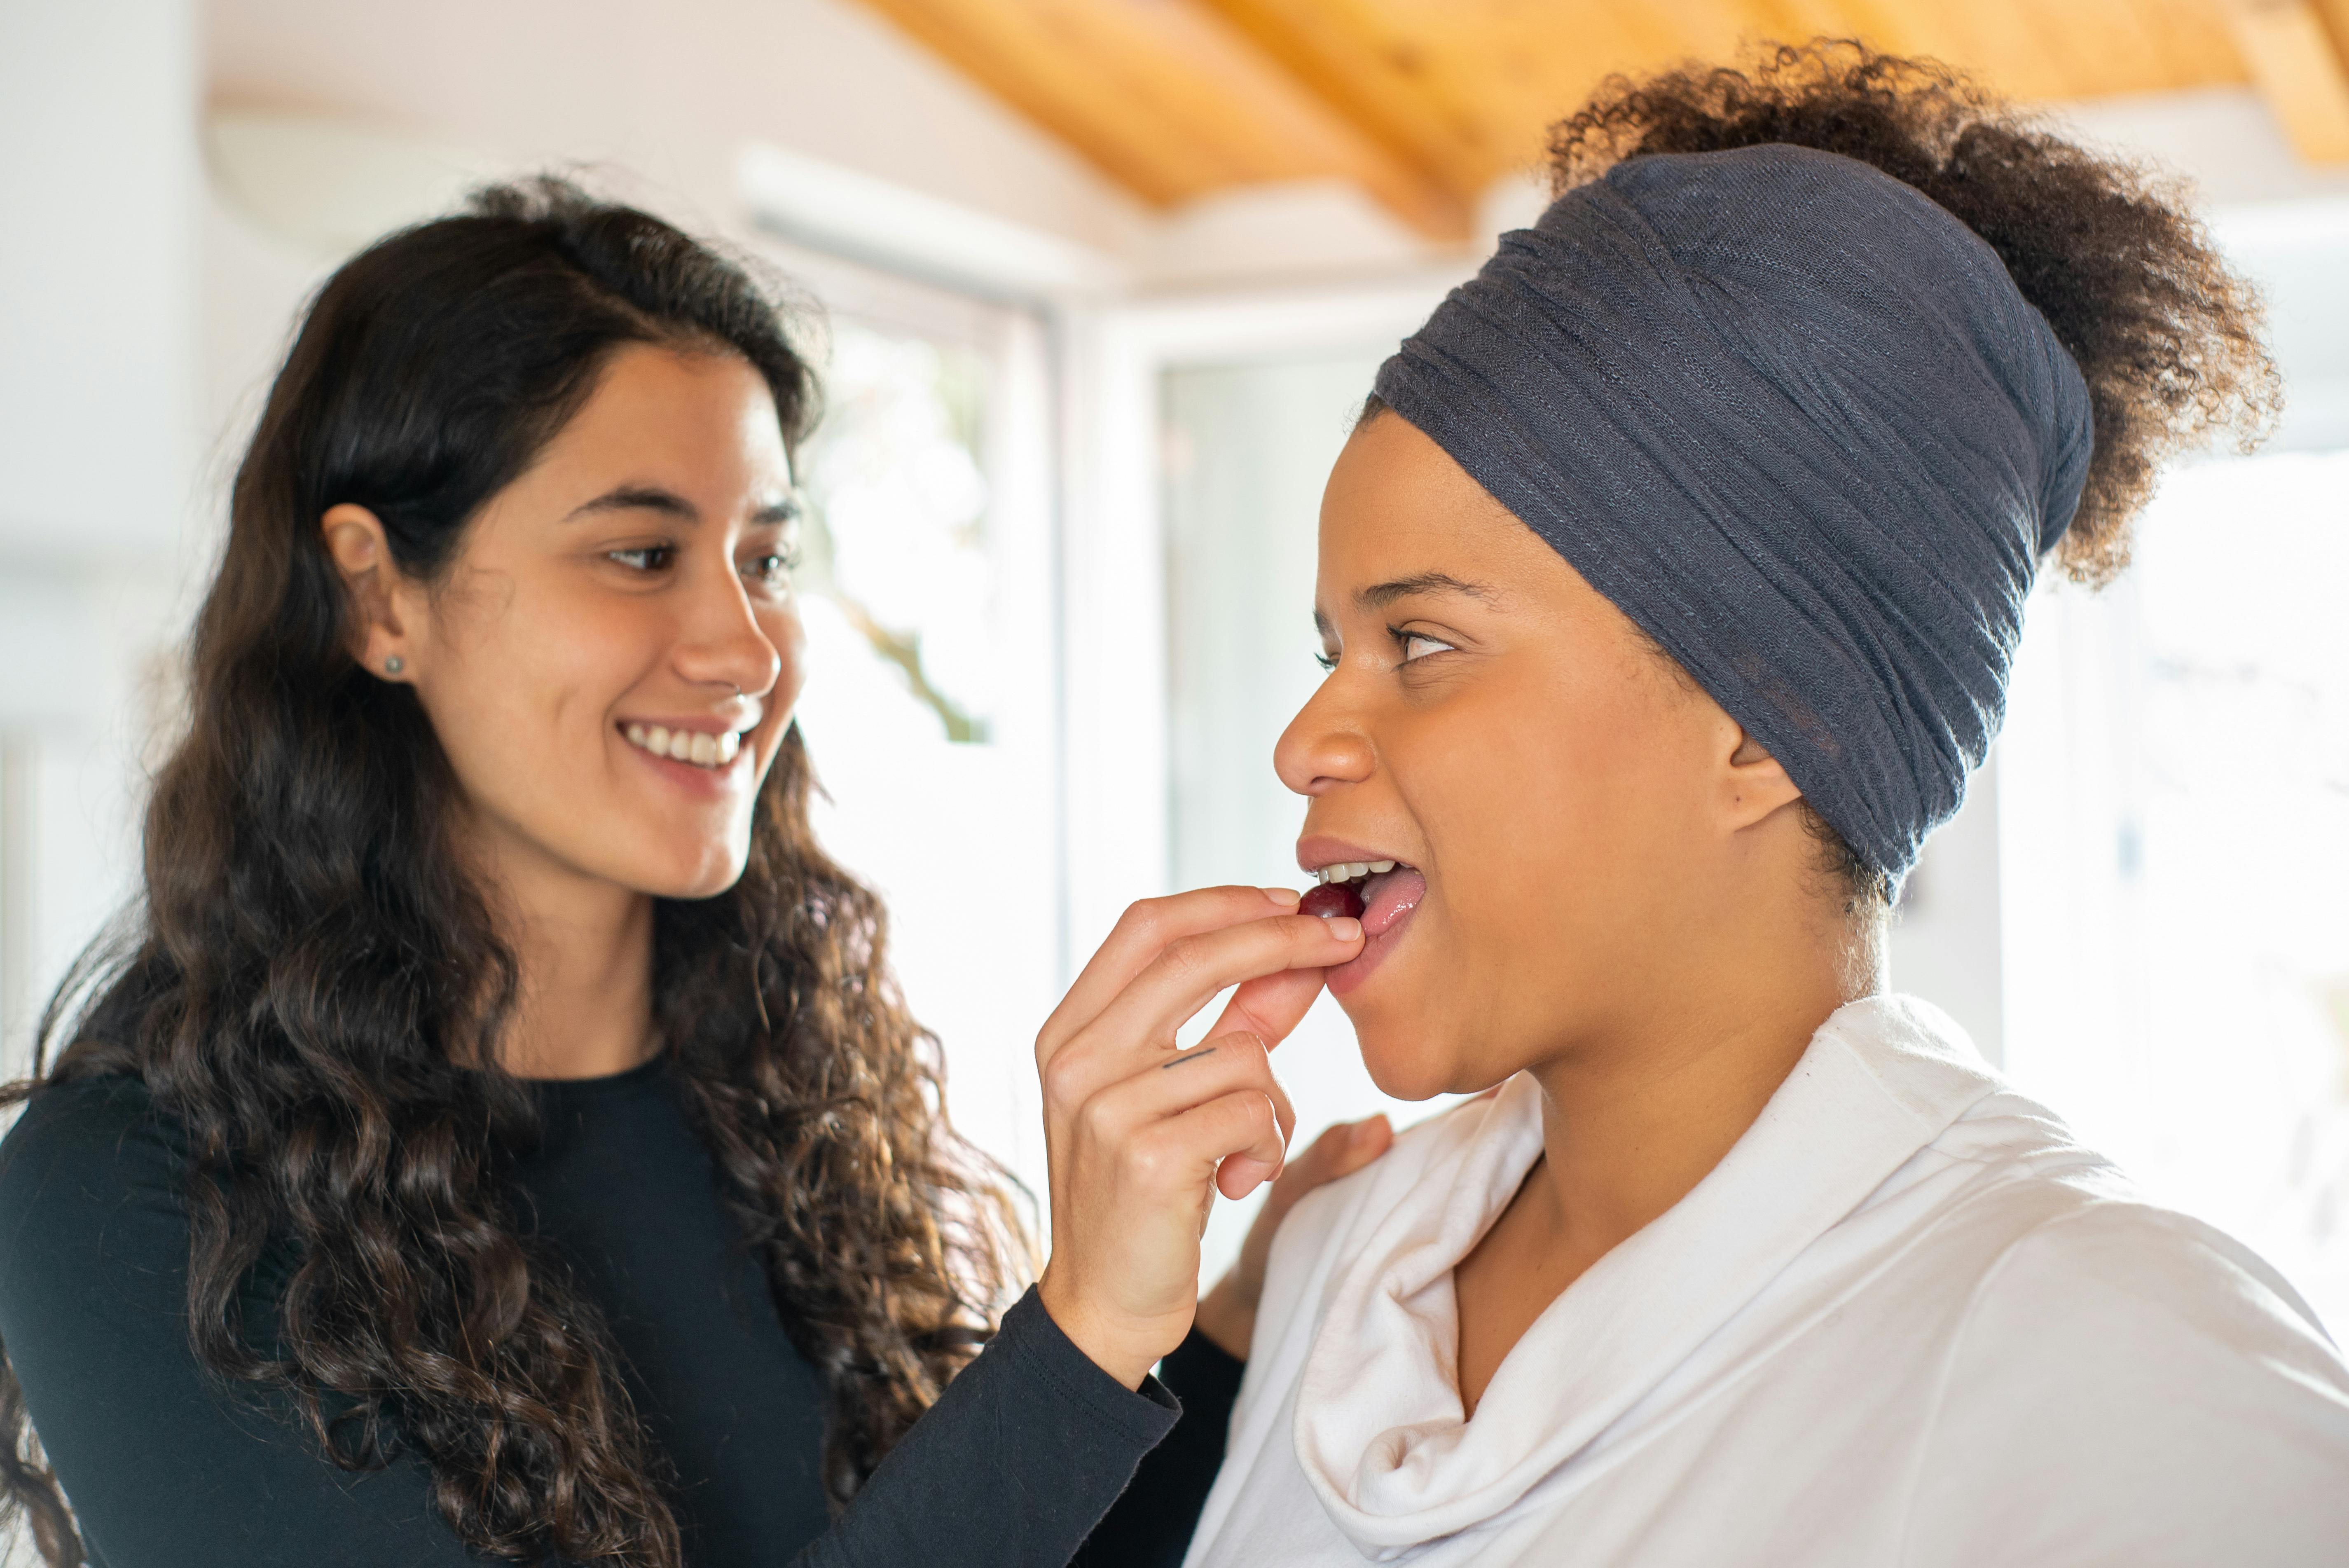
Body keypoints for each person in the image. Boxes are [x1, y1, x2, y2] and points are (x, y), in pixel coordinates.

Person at [0, 179, 1389, 1568]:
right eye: (642, 553)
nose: (744, 646)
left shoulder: (788, 1103)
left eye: (766, 557)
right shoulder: (135, 1194)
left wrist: (1213, 1335)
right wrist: (1081, 1332)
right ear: (377, 598)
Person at [1183, 42, 2349, 1568]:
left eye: (1424, 644)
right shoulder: (1323, 1266)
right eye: (1331, 648)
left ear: (1763, 725)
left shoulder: (2124, 1378)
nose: (1304, 740)